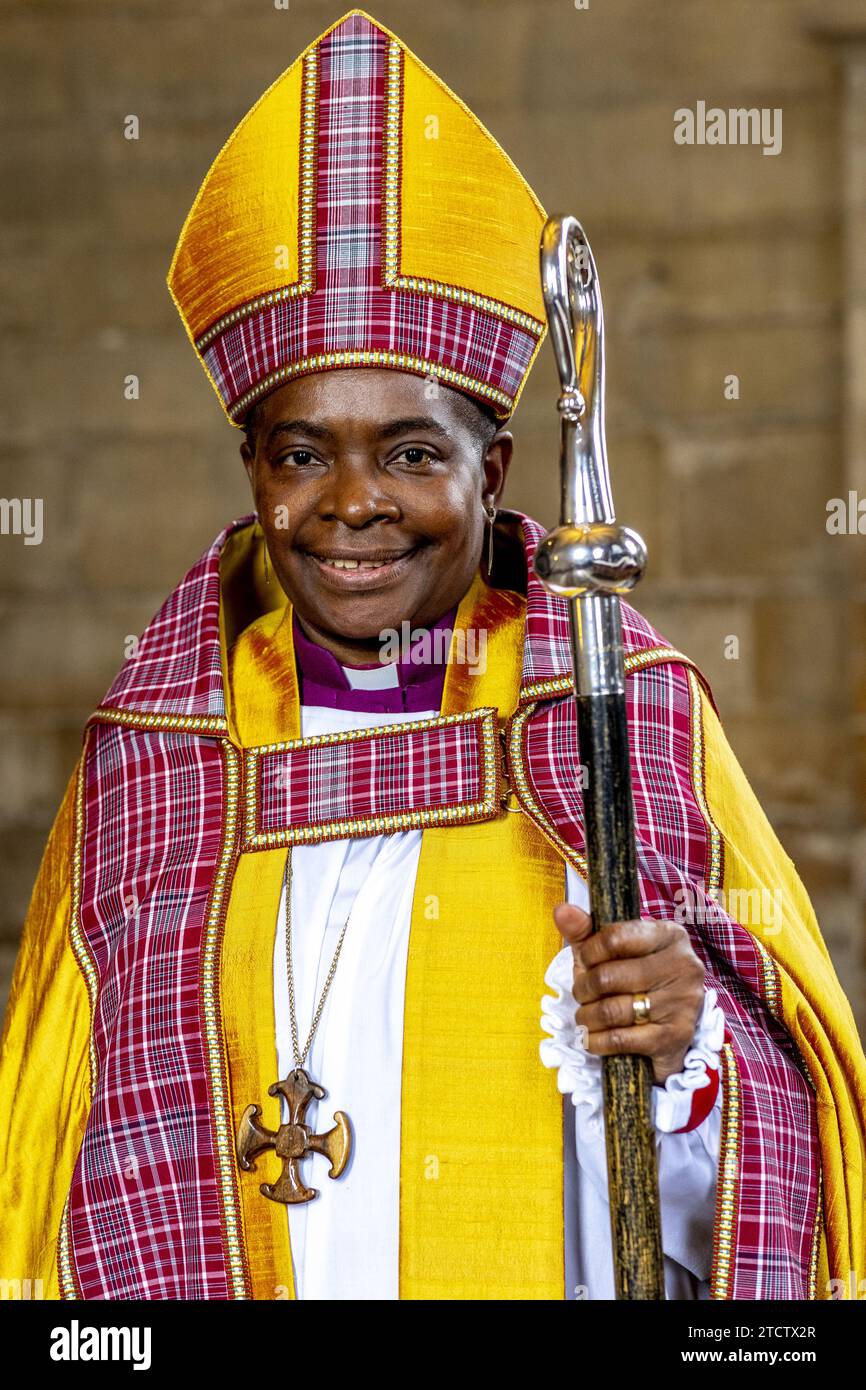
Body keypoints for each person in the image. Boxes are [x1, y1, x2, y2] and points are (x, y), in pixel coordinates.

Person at [1, 8, 864, 1302]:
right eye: (302, 452)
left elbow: (770, 1205)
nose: (353, 502)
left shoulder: (619, 719)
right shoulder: (157, 761)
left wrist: (687, 1064)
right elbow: (55, 1185)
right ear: (253, 470)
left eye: (411, 451)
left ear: (493, 471)